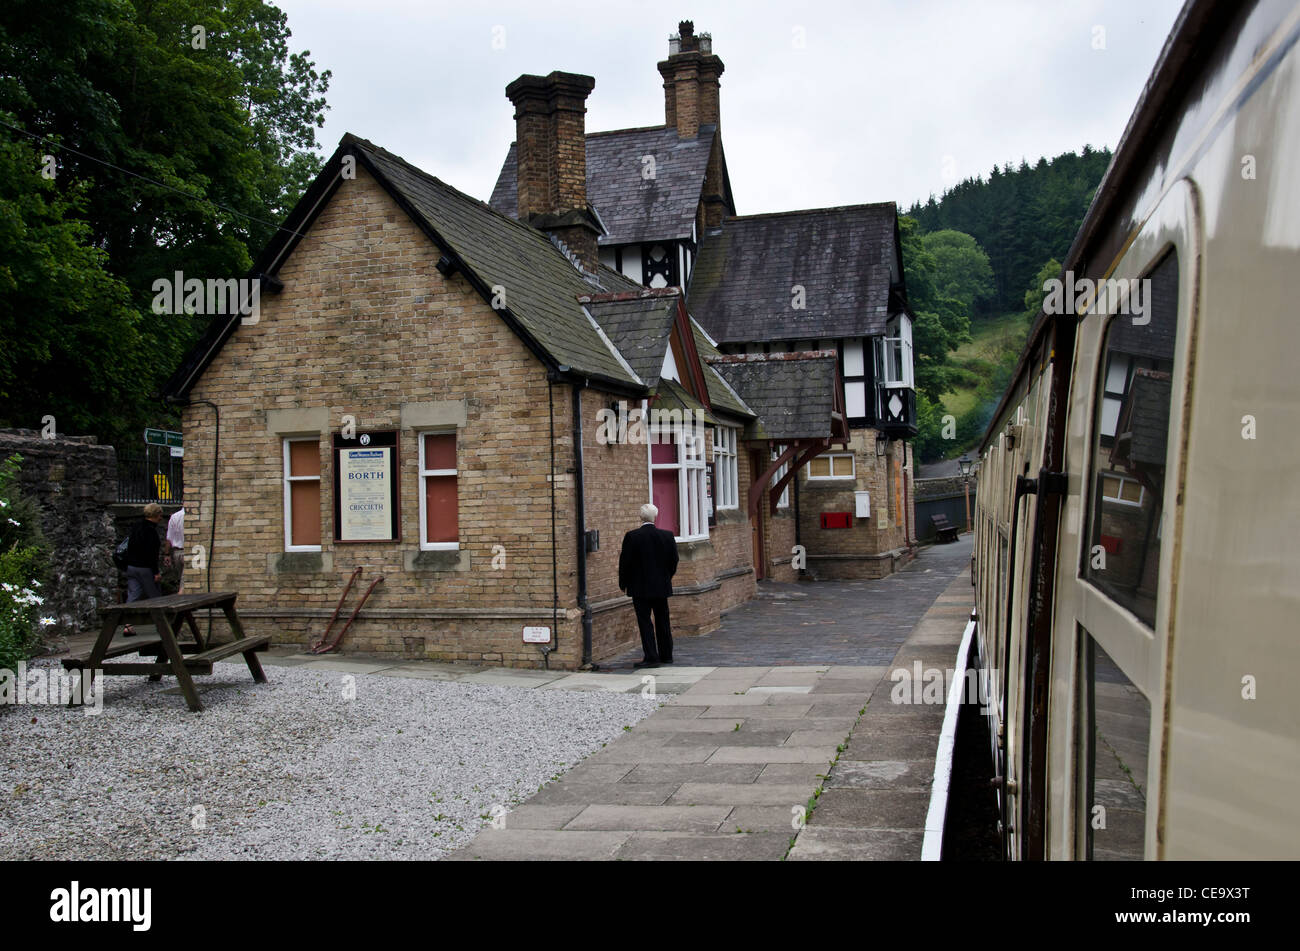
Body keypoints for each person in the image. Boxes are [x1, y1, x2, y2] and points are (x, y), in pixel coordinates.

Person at [618, 503, 679, 669]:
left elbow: (625, 563)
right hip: (661, 587)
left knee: (645, 623)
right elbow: (673, 561)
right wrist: (667, 577)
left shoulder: (632, 536)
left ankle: (651, 656)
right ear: (655, 516)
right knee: (663, 621)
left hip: (640, 588)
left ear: (640, 517)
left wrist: (623, 583)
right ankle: (666, 656)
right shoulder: (667, 536)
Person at [122, 502, 165, 634]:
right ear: (156, 515)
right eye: (160, 515)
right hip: (145, 568)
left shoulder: (136, 526)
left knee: (133, 594)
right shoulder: (151, 531)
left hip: (131, 566)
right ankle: (163, 626)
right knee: (155, 596)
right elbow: (151, 554)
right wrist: (156, 572)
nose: (161, 518)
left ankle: (128, 625)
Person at [162, 505, 185, 595]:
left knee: (181, 580)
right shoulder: (193, 515)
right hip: (188, 552)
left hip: (176, 552)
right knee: (184, 585)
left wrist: (167, 554)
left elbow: (169, 538)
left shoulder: (174, 516)